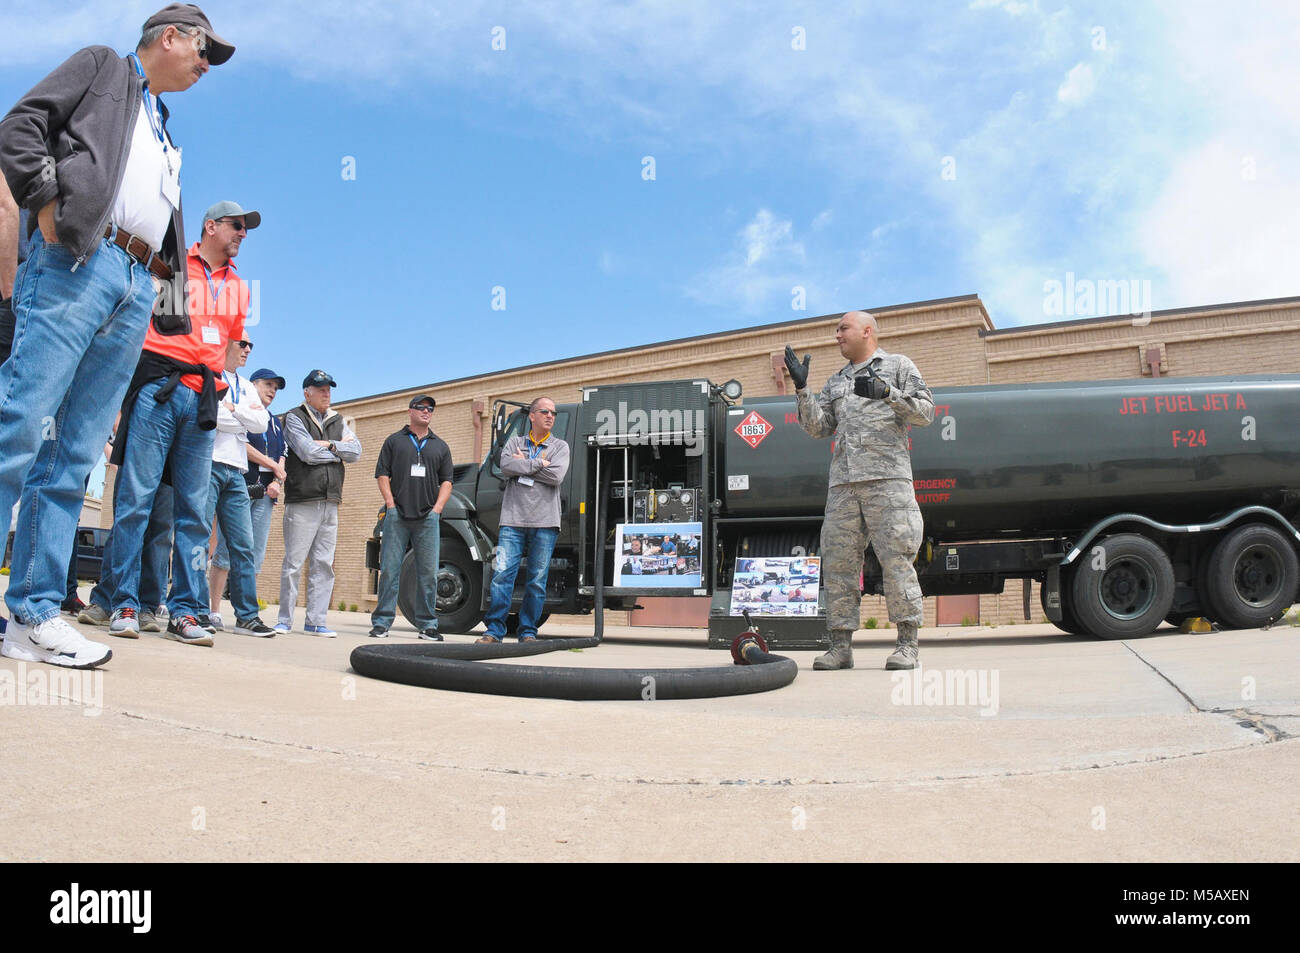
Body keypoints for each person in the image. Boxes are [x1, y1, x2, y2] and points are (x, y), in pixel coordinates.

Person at [0, 5, 233, 668]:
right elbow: (19, 127)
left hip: (135, 285)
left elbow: (167, 227)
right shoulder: (103, 67)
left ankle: (33, 614)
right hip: (78, 260)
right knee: (18, 425)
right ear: (171, 36)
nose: (205, 67)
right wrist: (47, 203)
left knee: (74, 454)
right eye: (204, 52)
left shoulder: (163, 127)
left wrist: (168, 308)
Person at [106, 199, 259, 647]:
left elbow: (231, 345)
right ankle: (124, 602)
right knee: (137, 499)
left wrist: (220, 380)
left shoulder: (238, 288)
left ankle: (186, 611)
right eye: (236, 225)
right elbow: (143, 323)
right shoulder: (174, 265)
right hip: (159, 389)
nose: (242, 234)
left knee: (193, 512)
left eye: (245, 229)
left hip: (203, 398)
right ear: (210, 227)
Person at [785, 310, 935, 671]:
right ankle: (840, 647)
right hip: (844, 486)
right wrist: (803, 389)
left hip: (888, 482)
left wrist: (889, 393)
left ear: (867, 332)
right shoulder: (835, 382)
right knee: (838, 564)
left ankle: (907, 645)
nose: (836, 335)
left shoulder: (897, 365)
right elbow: (818, 428)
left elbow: (926, 413)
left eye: (843, 329)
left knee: (897, 560)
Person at [477, 397, 570, 643]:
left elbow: (556, 476)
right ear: (531, 415)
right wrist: (539, 463)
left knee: (537, 581)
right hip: (512, 522)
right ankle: (494, 630)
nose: (550, 416)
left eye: (554, 412)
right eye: (545, 411)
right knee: (502, 576)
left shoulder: (560, 446)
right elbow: (506, 465)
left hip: (545, 524)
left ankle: (528, 632)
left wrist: (523, 464)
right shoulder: (515, 442)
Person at [277, 370, 361, 636]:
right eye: (320, 389)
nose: (326, 394)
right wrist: (339, 450)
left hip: (331, 500)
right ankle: (284, 620)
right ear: (307, 392)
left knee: (323, 563)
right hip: (303, 499)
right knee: (294, 562)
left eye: (328, 389)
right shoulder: (294, 417)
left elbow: (356, 452)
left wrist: (330, 446)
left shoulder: (339, 420)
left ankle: (316, 621)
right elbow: (307, 452)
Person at [202, 336, 272, 635]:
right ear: (226, 343)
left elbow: (262, 423)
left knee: (244, 546)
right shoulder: (208, 373)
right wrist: (239, 416)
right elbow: (210, 416)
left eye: (251, 346)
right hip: (207, 464)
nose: (247, 350)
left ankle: (246, 616)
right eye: (242, 343)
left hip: (237, 473)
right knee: (197, 538)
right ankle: (193, 609)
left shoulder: (245, 386)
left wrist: (232, 409)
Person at [368, 395, 453, 639]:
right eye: (421, 408)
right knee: (390, 570)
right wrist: (390, 505)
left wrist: (437, 509)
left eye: (430, 409)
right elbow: (382, 474)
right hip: (397, 516)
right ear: (410, 411)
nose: (426, 411)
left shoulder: (440, 446)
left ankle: (427, 625)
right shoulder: (394, 441)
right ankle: (382, 623)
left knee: (427, 574)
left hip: (428, 518)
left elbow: (447, 481)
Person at [210, 367, 286, 609]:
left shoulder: (273, 421)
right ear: (253, 386)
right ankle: (213, 609)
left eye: (275, 388)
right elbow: (241, 444)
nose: (272, 391)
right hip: (241, 486)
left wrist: (277, 480)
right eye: (268, 385)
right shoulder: (243, 413)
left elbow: (283, 452)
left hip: (266, 493)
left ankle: (248, 611)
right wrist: (270, 463)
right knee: (225, 550)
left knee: (255, 553)